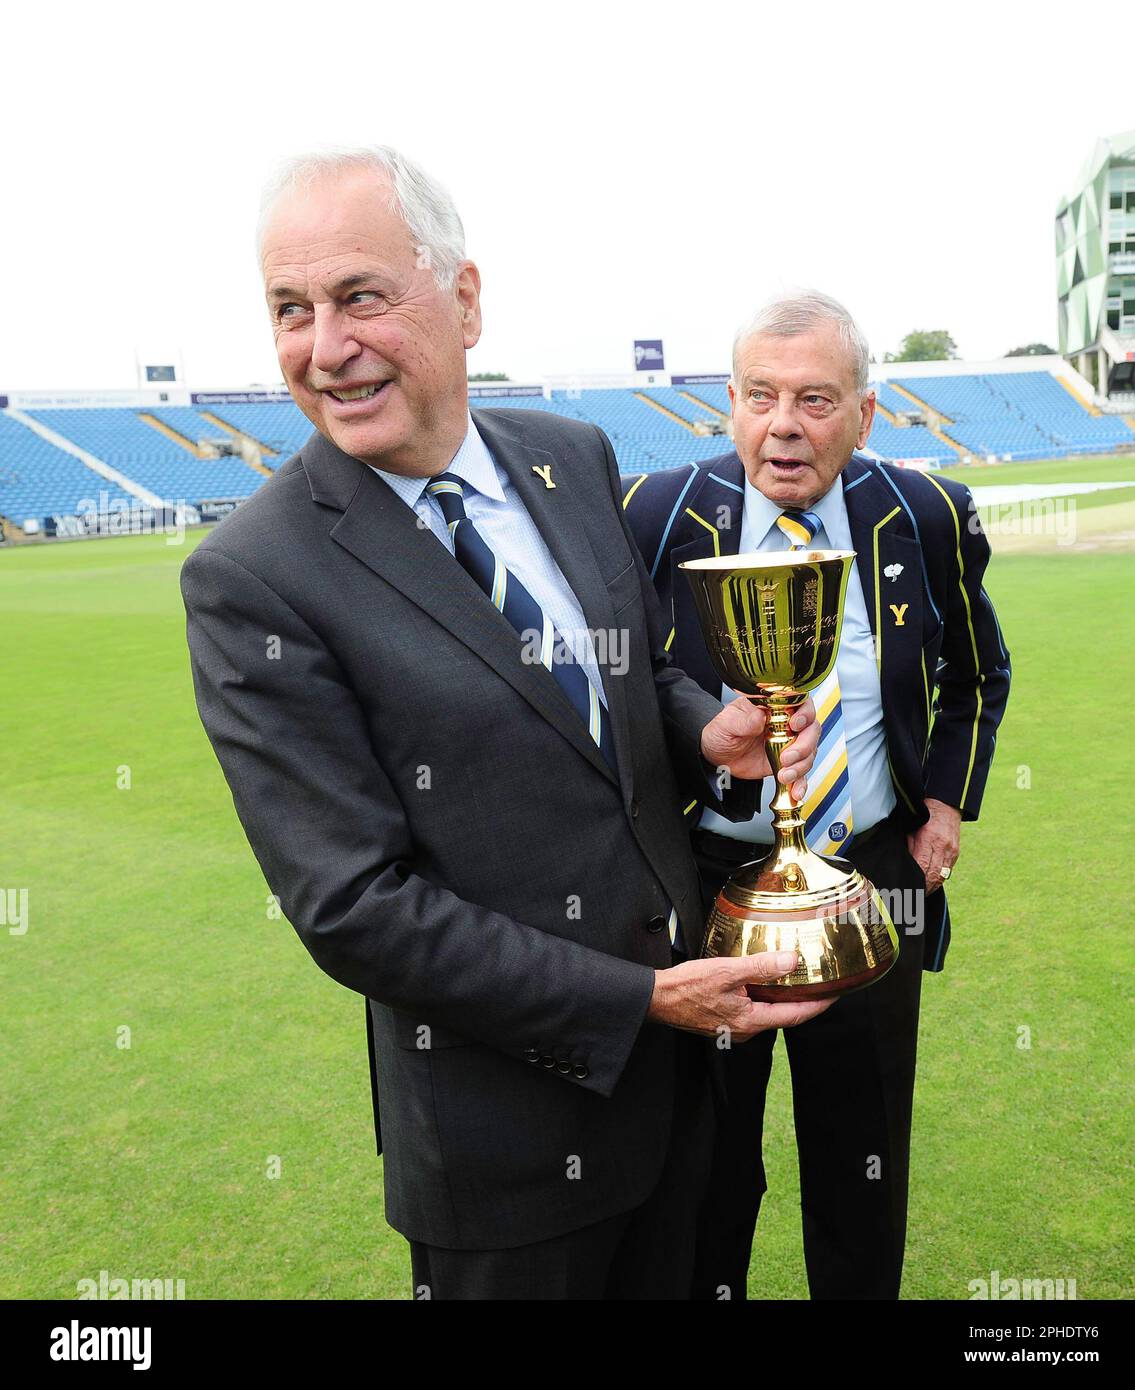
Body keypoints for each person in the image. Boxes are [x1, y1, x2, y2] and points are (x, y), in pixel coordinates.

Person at [180, 146, 831, 1301]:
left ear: (466, 300)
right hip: (507, 1162)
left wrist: (703, 735)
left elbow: (616, 681)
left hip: (684, 1101)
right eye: (292, 309)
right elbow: (352, 907)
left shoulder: (570, 456)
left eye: (361, 296)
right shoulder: (253, 578)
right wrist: (638, 1001)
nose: (325, 347)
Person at [622, 290, 1011, 1300]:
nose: (783, 425)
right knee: (708, 1170)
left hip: (872, 876)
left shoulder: (923, 513)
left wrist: (945, 805)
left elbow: (977, 674)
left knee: (863, 1163)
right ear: (730, 400)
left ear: (866, 413)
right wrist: (702, 734)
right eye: (759, 395)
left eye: (814, 399)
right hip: (708, 884)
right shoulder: (659, 512)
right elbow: (621, 681)